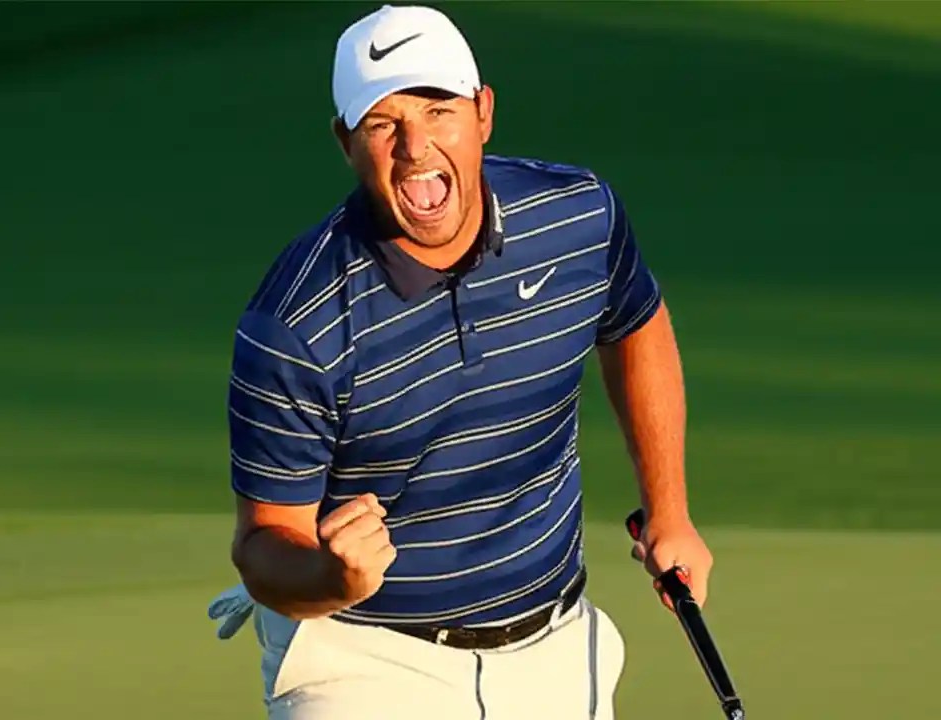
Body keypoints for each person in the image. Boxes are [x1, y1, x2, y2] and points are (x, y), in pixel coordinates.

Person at [208, 4, 714, 718]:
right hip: (362, 657)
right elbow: (263, 546)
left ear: (484, 113)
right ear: (344, 141)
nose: (415, 146)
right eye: (383, 123)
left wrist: (670, 513)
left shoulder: (576, 217)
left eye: (438, 109)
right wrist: (331, 575)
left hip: (556, 646)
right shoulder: (296, 323)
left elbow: (636, 325)